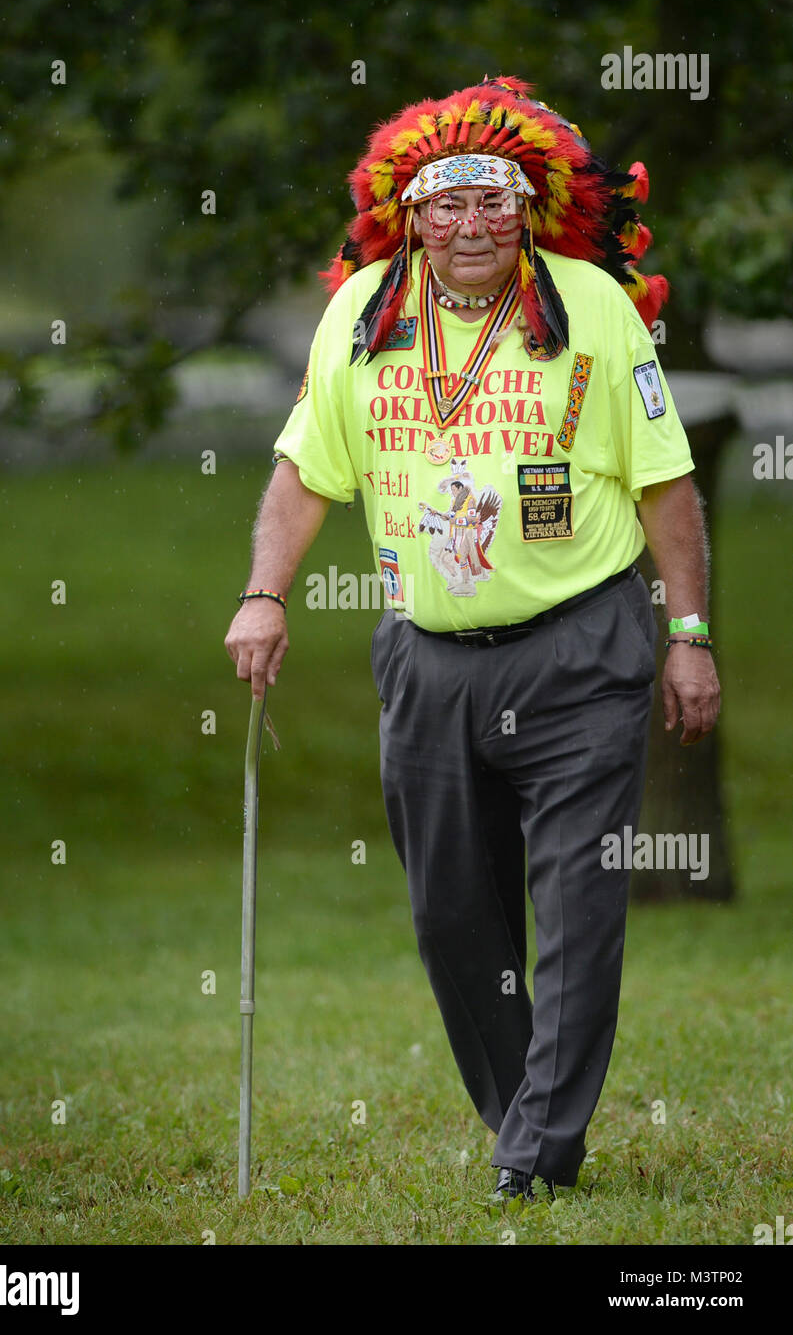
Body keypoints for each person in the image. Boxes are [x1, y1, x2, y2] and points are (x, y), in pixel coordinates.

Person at [224, 77, 720, 1203]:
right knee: (454, 912)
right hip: (427, 657)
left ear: (527, 208)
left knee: (579, 901)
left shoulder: (586, 302)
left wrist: (687, 631)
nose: (469, 225)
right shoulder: (361, 317)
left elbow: (665, 483)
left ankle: (534, 1154)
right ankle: (524, 1114)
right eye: (443, 207)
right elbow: (305, 471)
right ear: (408, 217)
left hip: (581, 647)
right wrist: (265, 591)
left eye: (492, 202)